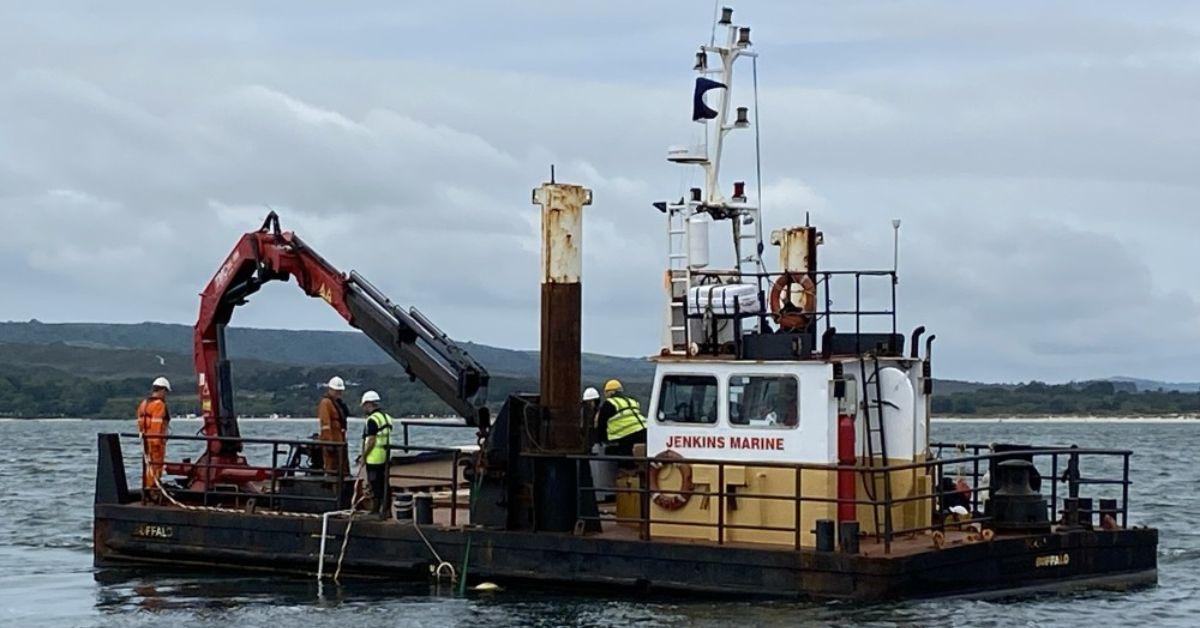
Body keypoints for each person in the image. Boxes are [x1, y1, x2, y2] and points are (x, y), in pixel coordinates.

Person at [359, 390, 394, 514]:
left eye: (364, 405)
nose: (364, 408)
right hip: (386, 456)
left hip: (374, 457)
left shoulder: (372, 420)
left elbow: (371, 440)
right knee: (384, 483)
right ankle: (386, 509)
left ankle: (376, 509)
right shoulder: (386, 418)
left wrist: (364, 456)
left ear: (369, 404)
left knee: (374, 484)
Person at [136, 377, 171, 492]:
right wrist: (158, 441)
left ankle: (148, 488)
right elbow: (157, 424)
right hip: (156, 442)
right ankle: (153, 489)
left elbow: (140, 423)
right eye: (166, 392)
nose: (165, 395)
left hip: (146, 440)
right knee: (156, 466)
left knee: (148, 466)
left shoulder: (144, 404)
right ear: (162, 390)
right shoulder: (159, 405)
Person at [597, 379, 647, 460]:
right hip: (644, 432)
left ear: (611, 392)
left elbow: (601, 424)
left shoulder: (610, 403)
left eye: (606, 392)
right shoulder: (632, 401)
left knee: (621, 457)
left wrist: (601, 440)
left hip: (627, 435)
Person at [316, 376, 350, 478]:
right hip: (333, 442)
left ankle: (342, 482)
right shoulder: (326, 403)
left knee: (342, 468)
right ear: (330, 389)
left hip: (340, 441)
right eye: (337, 391)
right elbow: (325, 424)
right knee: (332, 467)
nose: (339, 393)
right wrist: (329, 443)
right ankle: (331, 484)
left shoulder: (337, 404)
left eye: (340, 391)